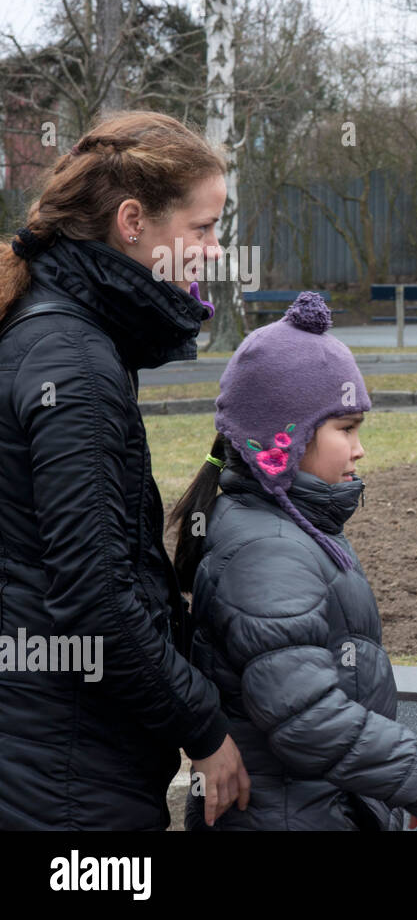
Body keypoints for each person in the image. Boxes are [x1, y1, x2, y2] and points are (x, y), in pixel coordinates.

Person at [0, 110, 248, 829]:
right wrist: (204, 729)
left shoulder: (52, 329)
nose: (215, 248)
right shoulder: (74, 362)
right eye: (202, 228)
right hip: (69, 773)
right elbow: (96, 600)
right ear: (132, 220)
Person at [171, 292, 417, 830]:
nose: (359, 449)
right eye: (345, 429)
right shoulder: (267, 551)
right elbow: (305, 717)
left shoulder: (293, 525)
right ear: (287, 442)